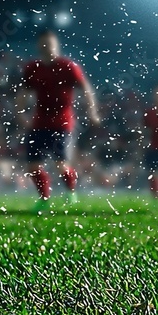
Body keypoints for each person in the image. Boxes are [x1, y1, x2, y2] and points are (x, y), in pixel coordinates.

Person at [16, 30, 100, 212]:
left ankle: (71, 191)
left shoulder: (68, 67)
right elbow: (24, 92)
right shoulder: (33, 68)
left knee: (60, 164)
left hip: (62, 123)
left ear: (57, 45)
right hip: (38, 123)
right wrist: (20, 113)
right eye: (45, 44)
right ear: (39, 46)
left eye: (52, 43)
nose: (48, 47)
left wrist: (92, 110)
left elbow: (86, 89)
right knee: (33, 165)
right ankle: (44, 199)